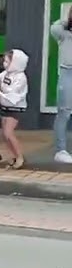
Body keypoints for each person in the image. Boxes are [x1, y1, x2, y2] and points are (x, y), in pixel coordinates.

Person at [49, 9, 72, 164]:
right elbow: (54, 28)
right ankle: (60, 150)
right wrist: (65, 21)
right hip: (68, 72)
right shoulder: (64, 32)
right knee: (64, 112)